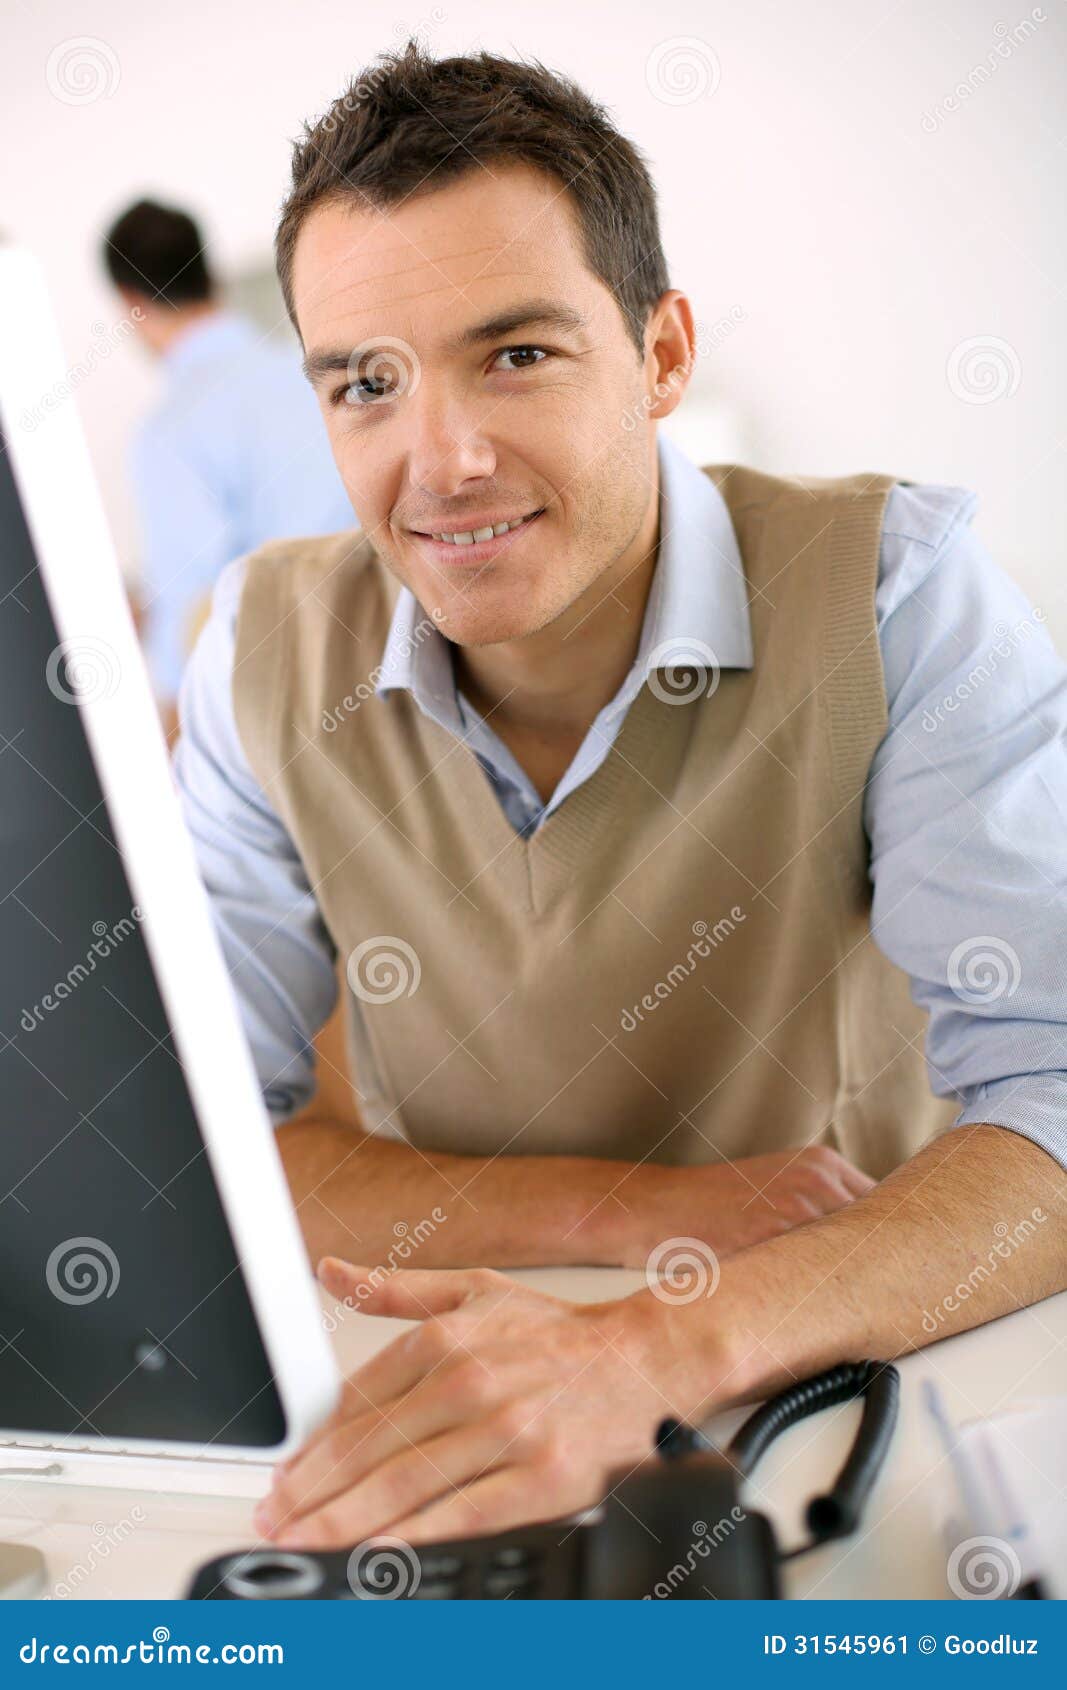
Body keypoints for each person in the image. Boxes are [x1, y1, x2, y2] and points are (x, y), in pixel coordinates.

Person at [169, 42, 1067, 1551]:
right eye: (365, 384)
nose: (439, 460)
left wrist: (652, 1346)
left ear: (659, 355)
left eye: (514, 353)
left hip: (860, 1383)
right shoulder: (258, 651)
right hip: (477, 1383)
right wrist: (616, 1219)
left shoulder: (896, 591)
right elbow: (206, 1150)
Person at [102, 198, 354, 735]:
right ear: (207, 270)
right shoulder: (312, 370)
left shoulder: (170, 431)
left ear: (131, 302)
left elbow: (192, 620)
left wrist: (172, 750)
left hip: (294, 712)